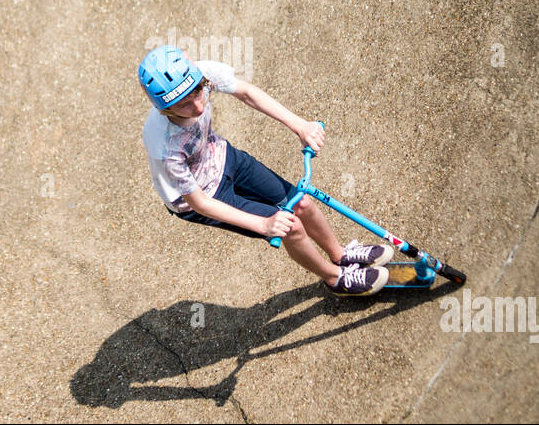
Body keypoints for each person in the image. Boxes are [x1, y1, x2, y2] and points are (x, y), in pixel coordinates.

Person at [137, 45, 392, 295]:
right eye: (183, 105)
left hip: (224, 156)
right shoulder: (164, 147)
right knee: (290, 227)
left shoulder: (199, 76)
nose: (198, 106)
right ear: (164, 108)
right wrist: (264, 224)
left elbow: (246, 92)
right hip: (203, 196)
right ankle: (335, 279)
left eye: (197, 92)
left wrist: (299, 125)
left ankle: (340, 254)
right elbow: (201, 204)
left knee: (301, 203)